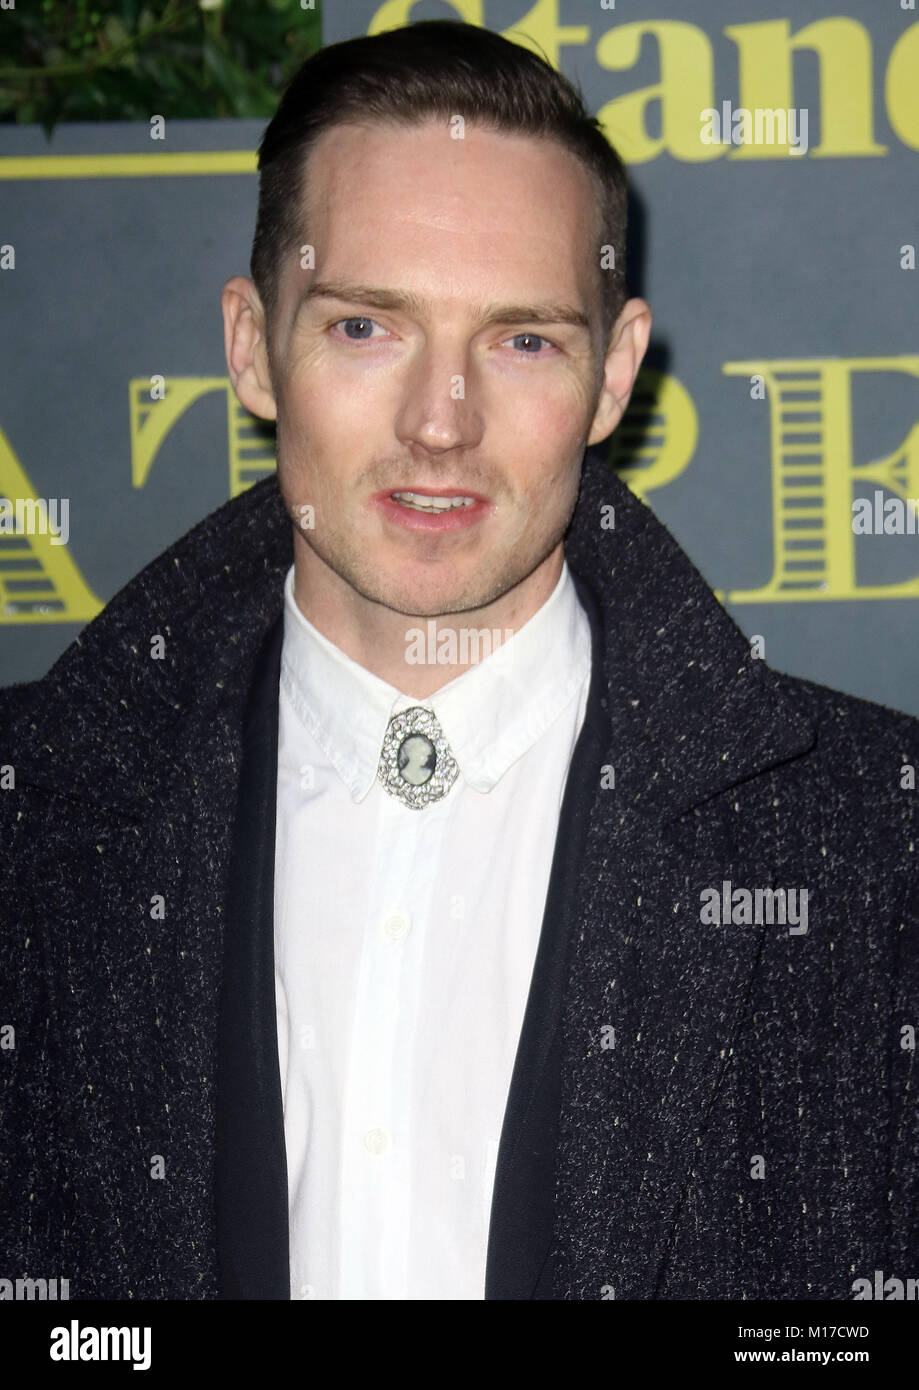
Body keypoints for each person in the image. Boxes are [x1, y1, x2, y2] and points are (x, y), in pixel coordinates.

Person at [1, 19, 916, 1302]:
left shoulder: (879, 846)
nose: (442, 421)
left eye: (523, 339)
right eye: (368, 326)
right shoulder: (30, 806)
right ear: (252, 345)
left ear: (613, 375)